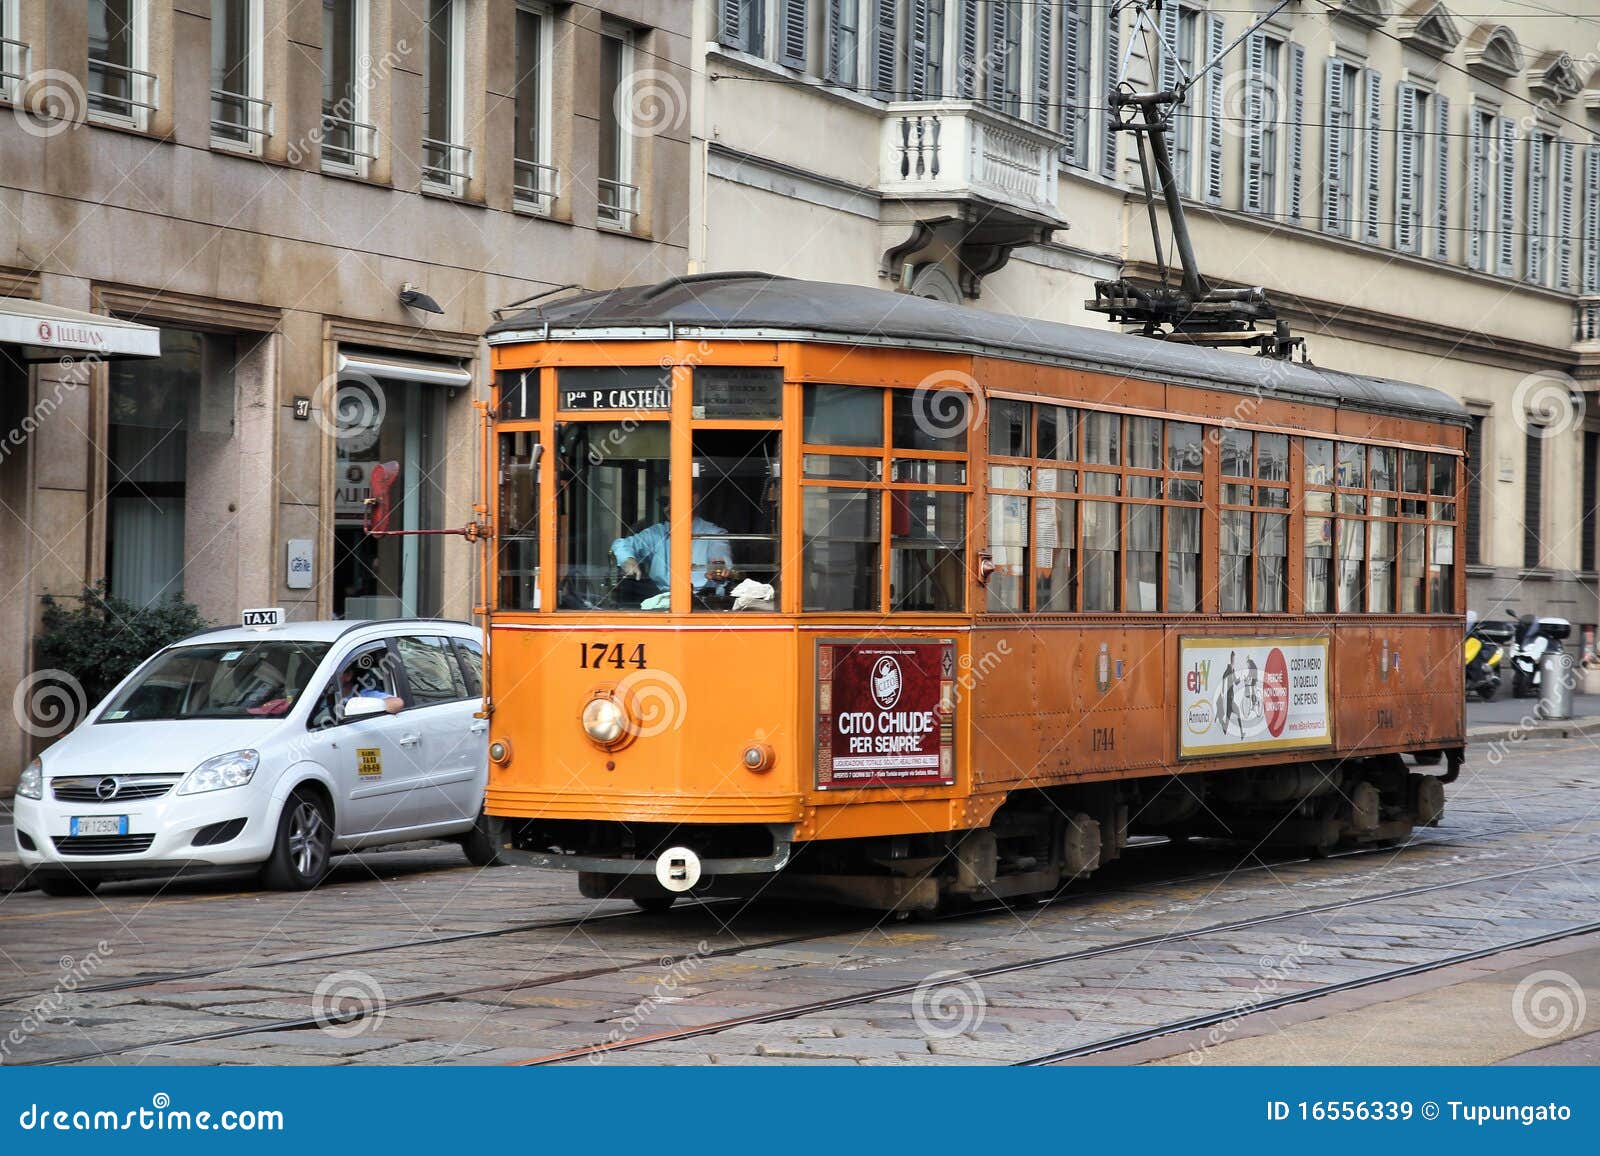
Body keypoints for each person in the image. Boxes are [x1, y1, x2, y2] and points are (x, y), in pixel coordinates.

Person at [610, 495, 730, 593]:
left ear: (694, 499)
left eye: (673, 500)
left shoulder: (714, 534)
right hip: (660, 600)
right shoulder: (656, 532)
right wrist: (628, 559)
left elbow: (721, 564)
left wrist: (718, 573)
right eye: (664, 502)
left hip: (703, 602)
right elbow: (621, 544)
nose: (668, 508)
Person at [338, 659, 403, 716]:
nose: (333, 679)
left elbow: (397, 702)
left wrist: (377, 705)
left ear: (349, 675)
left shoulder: (364, 695)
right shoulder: (332, 694)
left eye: (337, 673)